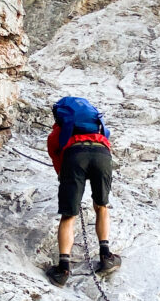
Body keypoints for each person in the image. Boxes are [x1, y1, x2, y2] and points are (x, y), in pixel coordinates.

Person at [46, 96, 122, 285]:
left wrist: (65, 178)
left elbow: (57, 158)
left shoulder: (59, 131)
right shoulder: (94, 124)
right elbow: (107, 139)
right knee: (102, 206)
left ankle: (63, 270)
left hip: (74, 157)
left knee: (69, 215)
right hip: (102, 154)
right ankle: (106, 257)